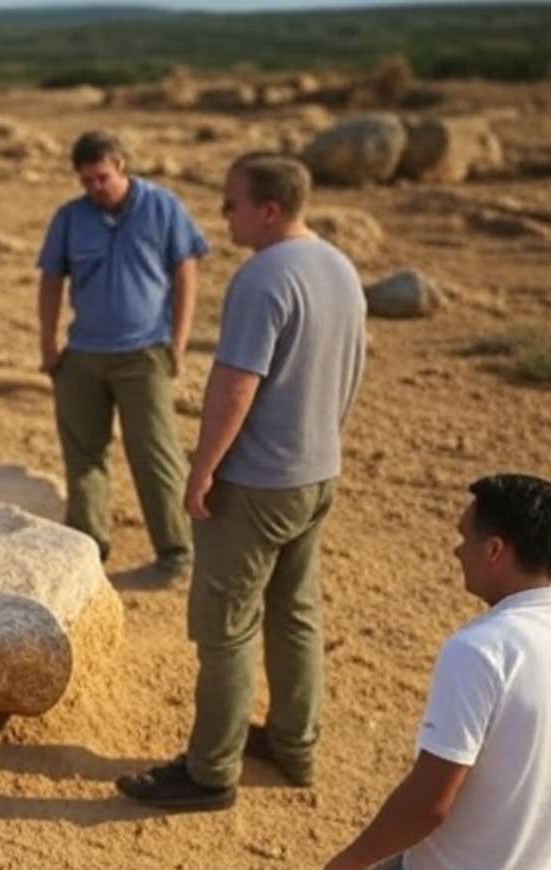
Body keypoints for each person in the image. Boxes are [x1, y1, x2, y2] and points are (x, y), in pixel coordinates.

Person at [118, 153, 366, 811]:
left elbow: (235, 384)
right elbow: (351, 371)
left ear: (270, 209)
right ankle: (294, 745)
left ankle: (210, 773)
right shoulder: (339, 267)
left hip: (256, 482)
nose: (222, 214)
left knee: (224, 628)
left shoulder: (263, 278)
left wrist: (202, 471)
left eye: (231, 204)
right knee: (295, 614)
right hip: (316, 472)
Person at [325, 475, 551, 870]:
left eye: (465, 537)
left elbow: (429, 804)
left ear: (495, 549)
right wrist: (540, 806)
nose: (457, 550)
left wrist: (346, 863)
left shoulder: (479, 650)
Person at [36, 129, 207, 571]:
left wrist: (179, 342)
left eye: (102, 178)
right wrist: (49, 345)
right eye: (86, 181)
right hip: (83, 356)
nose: (95, 188)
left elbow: (186, 273)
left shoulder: (163, 206)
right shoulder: (70, 218)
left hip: (145, 352)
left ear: (122, 166)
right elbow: (51, 281)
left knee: (156, 454)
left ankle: (177, 552)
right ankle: (89, 550)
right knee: (83, 456)